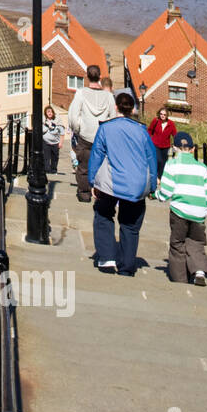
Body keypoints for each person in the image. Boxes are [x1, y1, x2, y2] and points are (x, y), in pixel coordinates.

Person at [88, 92, 158, 275]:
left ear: (116, 107)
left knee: (103, 215)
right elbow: (151, 159)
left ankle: (107, 259)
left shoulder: (106, 128)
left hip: (110, 183)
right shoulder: (142, 131)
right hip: (136, 186)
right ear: (133, 109)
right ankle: (127, 267)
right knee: (130, 225)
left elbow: (96, 155)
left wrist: (92, 181)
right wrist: (152, 186)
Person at [156, 131, 207, 285]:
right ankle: (198, 271)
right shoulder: (202, 168)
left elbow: (166, 191)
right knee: (196, 242)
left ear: (174, 148)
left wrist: (157, 195)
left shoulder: (172, 165)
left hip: (179, 211)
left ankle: (180, 278)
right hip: (199, 213)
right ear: (192, 149)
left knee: (177, 243)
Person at [67, 64, 117, 202]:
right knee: (101, 167)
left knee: (83, 166)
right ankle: (100, 193)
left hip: (85, 136)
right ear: (100, 77)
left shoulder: (81, 93)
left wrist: (78, 129)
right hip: (101, 137)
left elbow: (73, 116)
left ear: (87, 76)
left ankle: (84, 194)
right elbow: (112, 117)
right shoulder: (108, 96)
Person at [147, 107, 177, 195]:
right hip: (155, 145)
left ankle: (159, 178)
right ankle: (155, 178)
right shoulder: (155, 121)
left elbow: (174, 134)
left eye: (164, 114)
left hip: (166, 146)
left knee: (163, 163)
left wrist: (176, 144)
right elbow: (149, 130)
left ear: (167, 115)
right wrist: (149, 140)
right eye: (161, 114)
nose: (162, 116)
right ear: (159, 114)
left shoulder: (171, 124)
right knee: (158, 160)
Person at [42, 105, 65, 174]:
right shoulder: (43, 121)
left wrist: (60, 143)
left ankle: (54, 171)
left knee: (55, 158)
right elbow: (42, 130)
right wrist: (47, 125)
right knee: (46, 158)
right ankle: (47, 171)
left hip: (55, 143)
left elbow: (62, 133)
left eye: (51, 112)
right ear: (45, 113)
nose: (50, 113)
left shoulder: (57, 121)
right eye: (48, 112)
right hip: (46, 142)